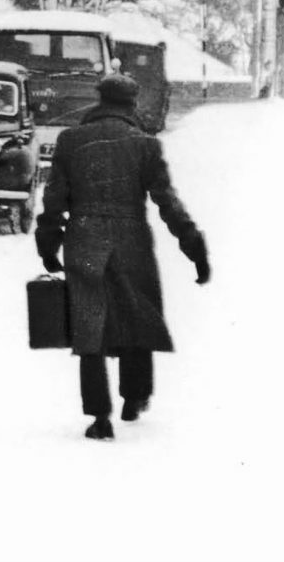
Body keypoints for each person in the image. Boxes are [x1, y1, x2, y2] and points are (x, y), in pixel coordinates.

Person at [35, 72, 209, 440]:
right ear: (131, 104)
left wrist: (48, 244)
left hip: (84, 237)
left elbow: (53, 201)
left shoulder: (70, 140)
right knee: (137, 312)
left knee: (89, 323)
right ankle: (135, 397)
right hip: (131, 239)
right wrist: (193, 245)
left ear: (99, 100)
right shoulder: (145, 144)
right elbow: (166, 201)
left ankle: (99, 416)